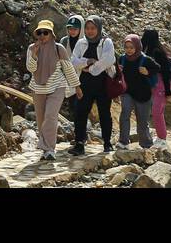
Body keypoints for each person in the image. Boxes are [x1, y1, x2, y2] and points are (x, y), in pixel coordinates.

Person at [26, 20, 81, 162]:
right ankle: (45, 148)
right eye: (39, 33)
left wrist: (76, 86)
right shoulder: (32, 48)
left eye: (46, 32)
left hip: (57, 86)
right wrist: (35, 54)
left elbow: (68, 68)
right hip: (38, 88)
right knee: (41, 119)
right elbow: (31, 68)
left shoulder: (59, 48)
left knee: (50, 116)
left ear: (51, 34)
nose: (42, 35)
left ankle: (50, 149)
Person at [68, 15, 116, 155]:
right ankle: (79, 144)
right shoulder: (81, 42)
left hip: (103, 83)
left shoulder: (106, 42)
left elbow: (108, 60)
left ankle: (107, 143)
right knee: (80, 113)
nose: (90, 31)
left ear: (99, 28)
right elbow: (73, 61)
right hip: (85, 83)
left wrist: (91, 69)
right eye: (88, 28)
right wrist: (87, 61)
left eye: (93, 28)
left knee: (104, 113)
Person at [116, 34, 158, 149]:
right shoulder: (122, 58)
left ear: (138, 47)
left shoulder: (145, 59)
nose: (129, 50)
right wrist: (118, 71)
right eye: (126, 47)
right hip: (127, 93)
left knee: (142, 120)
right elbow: (116, 74)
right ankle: (123, 142)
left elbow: (157, 68)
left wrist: (147, 71)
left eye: (131, 47)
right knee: (125, 115)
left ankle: (146, 144)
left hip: (143, 94)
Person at [141, 29, 171, 148]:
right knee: (156, 112)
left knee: (157, 111)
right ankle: (160, 137)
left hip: (161, 84)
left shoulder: (156, 52)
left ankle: (162, 139)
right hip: (155, 84)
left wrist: (167, 89)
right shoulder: (147, 51)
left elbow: (165, 71)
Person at [61, 15, 83, 132]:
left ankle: (81, 134)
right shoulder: (64, 41)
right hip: (69, 79)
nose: (72, 31)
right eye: (70, 28)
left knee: (80, 108)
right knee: (72, 107)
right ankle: (77, 134)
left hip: (83, 79)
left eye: (75, 29)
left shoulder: (86, 42)